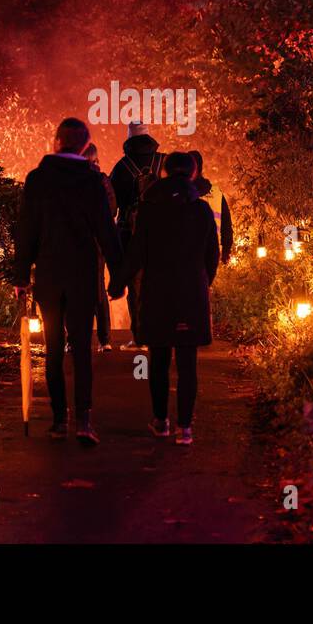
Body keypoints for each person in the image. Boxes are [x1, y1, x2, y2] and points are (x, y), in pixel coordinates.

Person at [12, 118, 123, 445]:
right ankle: (84, 420)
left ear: (56, 140)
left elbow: (26, 231)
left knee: (54, 348)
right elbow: (107, 230)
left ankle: (59, 419)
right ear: (85, 145)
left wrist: (21, 276)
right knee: (82, 349)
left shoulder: (37, 180)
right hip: (82, 275)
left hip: (48, 275)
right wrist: (118, 275)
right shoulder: (91, 182)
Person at [110, 151, 218, 446]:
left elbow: (136, 253)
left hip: (158, 291)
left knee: (158, 360)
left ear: (166, 172)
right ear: (193, 173)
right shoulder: (202, 211)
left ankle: (161, 421)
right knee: (187, 363)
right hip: (191, 294)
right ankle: (186, 428)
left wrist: (117, 283)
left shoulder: (149, 210)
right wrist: (202, 282)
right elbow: (212, 256)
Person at [108, 122, 164, 351]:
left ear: (128, 140)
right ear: (150, 137)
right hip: (162, 235)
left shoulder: (121, 167)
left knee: (136, 287)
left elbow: (112, 207)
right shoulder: (165, 162)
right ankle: (160, 333)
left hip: (130, 237)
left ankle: (140, 338)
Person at [83, 143, 116, 352]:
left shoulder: (70, 180)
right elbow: (112, 209)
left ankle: (75, 339)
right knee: (98, 286)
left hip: (75, 239)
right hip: (98, 241)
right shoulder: (103, 180)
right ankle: (105, 340)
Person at [188, 150, 234, 264]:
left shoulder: (181, 192)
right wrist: (226, 249)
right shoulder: (216, 193)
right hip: (210, 252)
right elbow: (226, 223)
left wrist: (226, 249)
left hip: (190, 252)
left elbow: (226, 222)